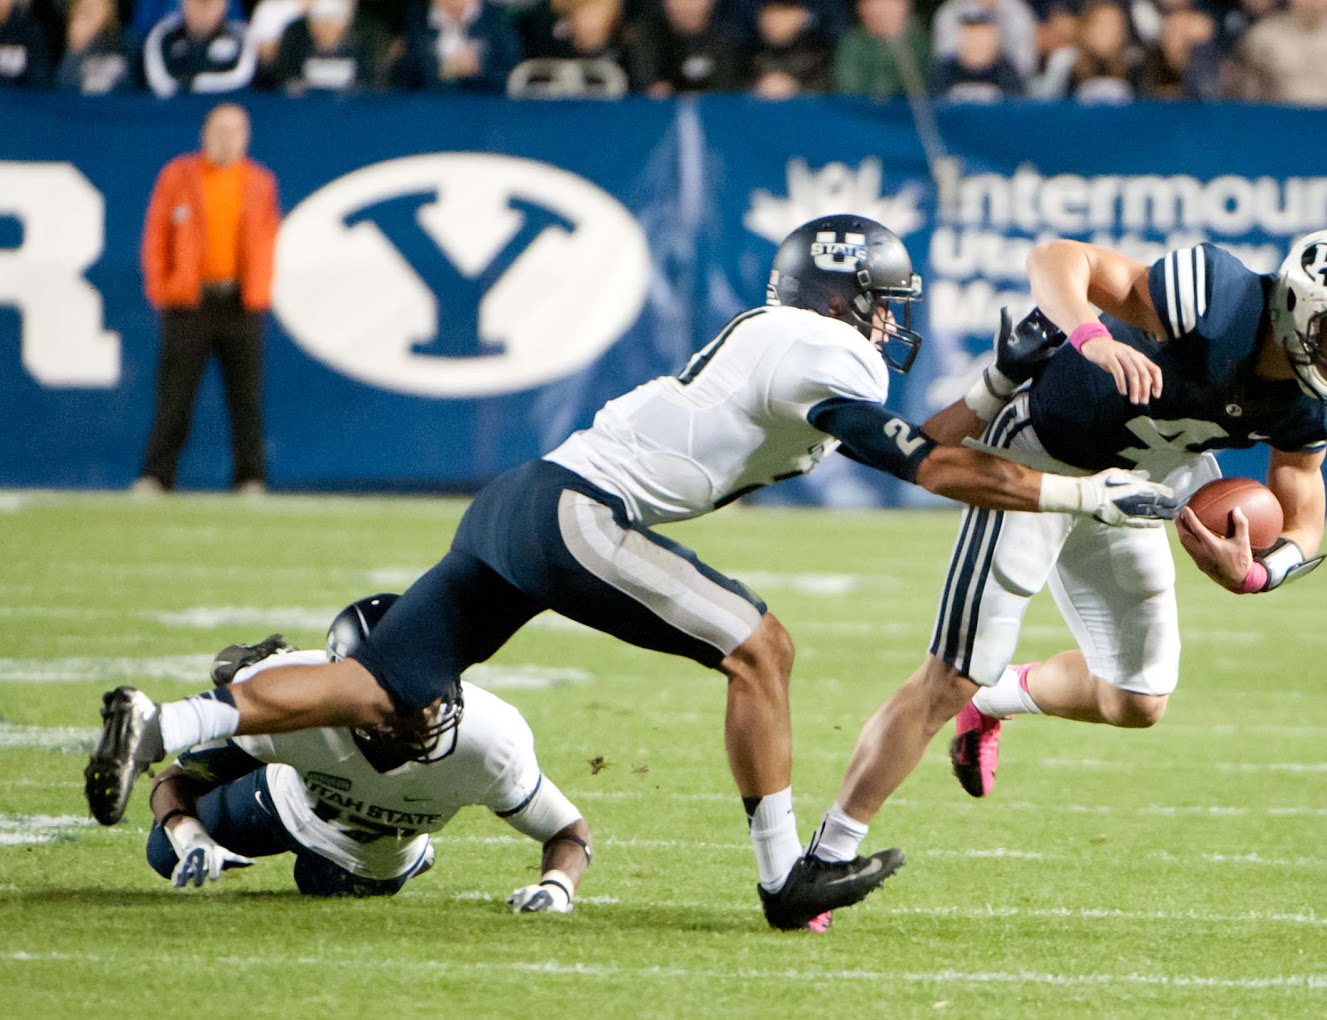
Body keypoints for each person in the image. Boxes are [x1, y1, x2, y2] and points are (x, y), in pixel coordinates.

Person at [86, 213, 1178, 931]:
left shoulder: (789, 345)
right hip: (578, 514)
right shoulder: (819, 348)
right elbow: (925, 465)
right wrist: (1088, 495)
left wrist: (995, 383)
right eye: (884, 302)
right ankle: (784, 875)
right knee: (761, 648)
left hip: (518, 504)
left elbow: (911, 441)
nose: (892, 322)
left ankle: (164, 725)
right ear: (843, 299)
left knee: (380, 687)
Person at [804, 229, 1327, 877]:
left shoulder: (1314, 399)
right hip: (1039, 458)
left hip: (1137, 487)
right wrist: (1091, 336)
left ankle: (996, 698)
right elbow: (1056, 257)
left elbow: (1304, 511)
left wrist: (1258, 574)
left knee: (1136, 700)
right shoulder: (1217, 301)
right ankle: (826, 857)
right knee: (950, 676)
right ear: (1296, 307)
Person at [146, 595, 592, 911]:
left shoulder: (489, 739)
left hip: (368, 857)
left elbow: (567, 831)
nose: (419, 712)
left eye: (427, 690)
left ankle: (416, 856)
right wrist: (192, 839)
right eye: (396, 701)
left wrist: (557, 889)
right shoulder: (304, 718)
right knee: (165, 854)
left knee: (320, 888)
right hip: (284, 801)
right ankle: (263, 675)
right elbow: (174, 780)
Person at [132, 103, 279, 496]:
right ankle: (157, 475)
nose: (227, 138)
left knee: (246, 398)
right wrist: (164, 288)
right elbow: (156, 235)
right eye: (220, 130)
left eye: (235, 130)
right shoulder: (180, 175)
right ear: (204, 133)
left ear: (246, 137)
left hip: (240, 300)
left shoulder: (258, 181)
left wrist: (260, 289)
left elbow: (266, 237)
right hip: (190, 300)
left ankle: (250, 478)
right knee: (175, 396)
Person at [142, 0, 256, 97]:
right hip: (175, 108)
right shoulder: (163, 34)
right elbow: (159, 81)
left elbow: (241, 77)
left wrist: (193, 83)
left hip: (227, 103)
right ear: (182, 4)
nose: (203, 12)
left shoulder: (241, 35)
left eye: (209, 4)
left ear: (224, 5)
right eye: (196, 3)